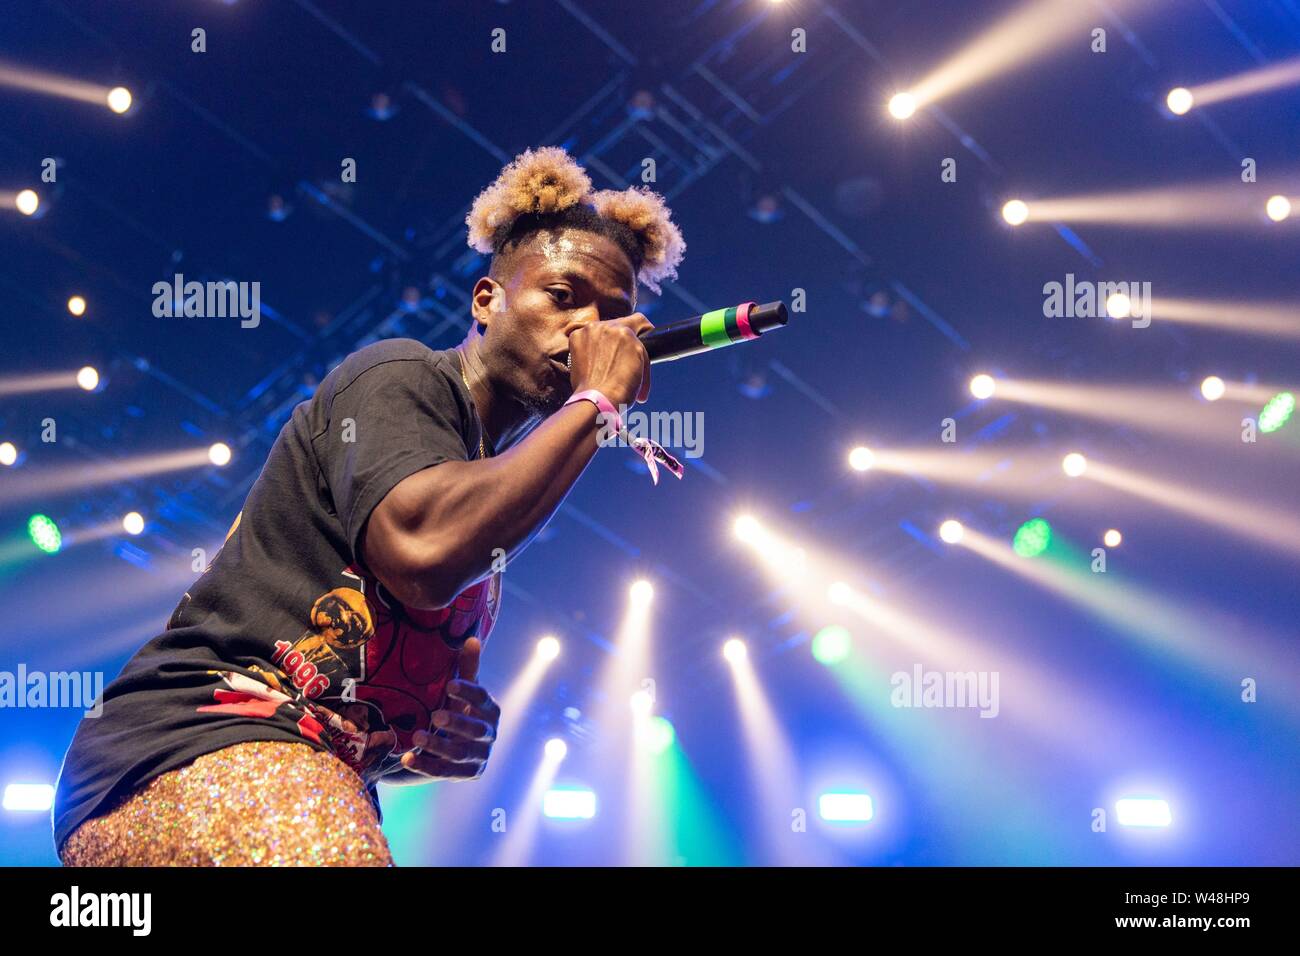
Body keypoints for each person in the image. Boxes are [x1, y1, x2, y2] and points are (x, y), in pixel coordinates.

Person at [53, 145, 686, 865]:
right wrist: (596, 399)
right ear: (487, 300)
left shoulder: (482, 477)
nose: (587, 332)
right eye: (564, 296)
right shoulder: (399, 376)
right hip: (193, 752)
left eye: (613, 315)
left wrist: (419, 745)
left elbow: (341, 691)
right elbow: (420, 556)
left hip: (297, 769)